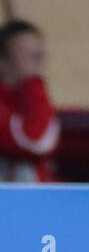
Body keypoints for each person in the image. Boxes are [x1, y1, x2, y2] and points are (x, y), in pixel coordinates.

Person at [0, 20, 59, 183]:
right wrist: (34, 83)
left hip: (33, 202)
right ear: (3, 62)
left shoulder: (32, 98)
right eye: (26, 52)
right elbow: (35, 141)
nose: (38, 59)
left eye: (39, 52)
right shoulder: (33, 91)